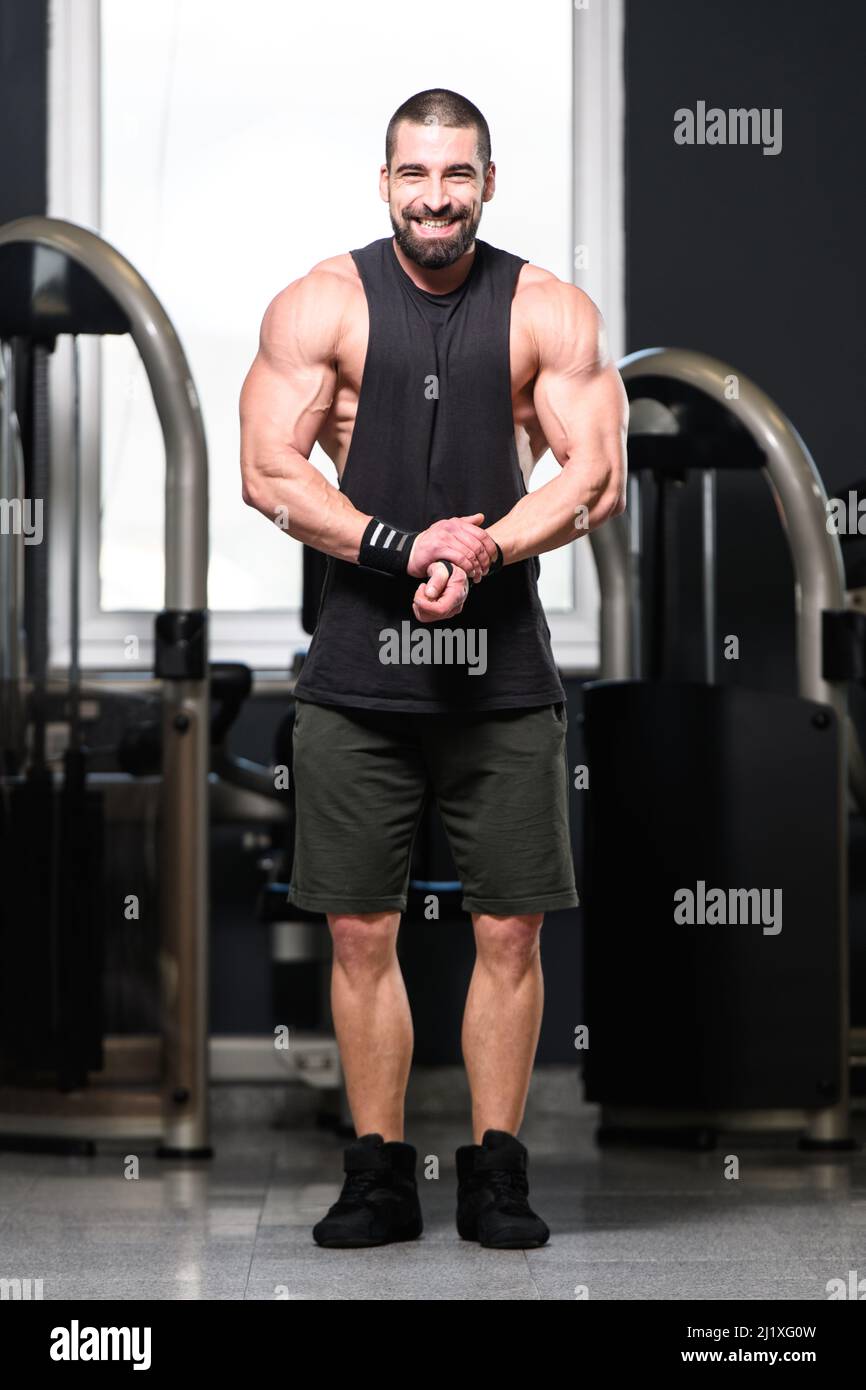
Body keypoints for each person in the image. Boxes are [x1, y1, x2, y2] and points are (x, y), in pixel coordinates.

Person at [239, 88, 627, 1249]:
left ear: (487, 183)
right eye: (416, 173)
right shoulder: (323, 302)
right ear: (385, 182)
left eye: (457, 174)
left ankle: (495, 1171)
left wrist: (487, 546)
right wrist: (406, 547)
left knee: (509, 928)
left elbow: (591, 470)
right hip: (359, 669)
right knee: (361, 930)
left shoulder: (547, 312)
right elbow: (270, 471)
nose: (436, 195)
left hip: (500, 668)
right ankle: (377, 1172)